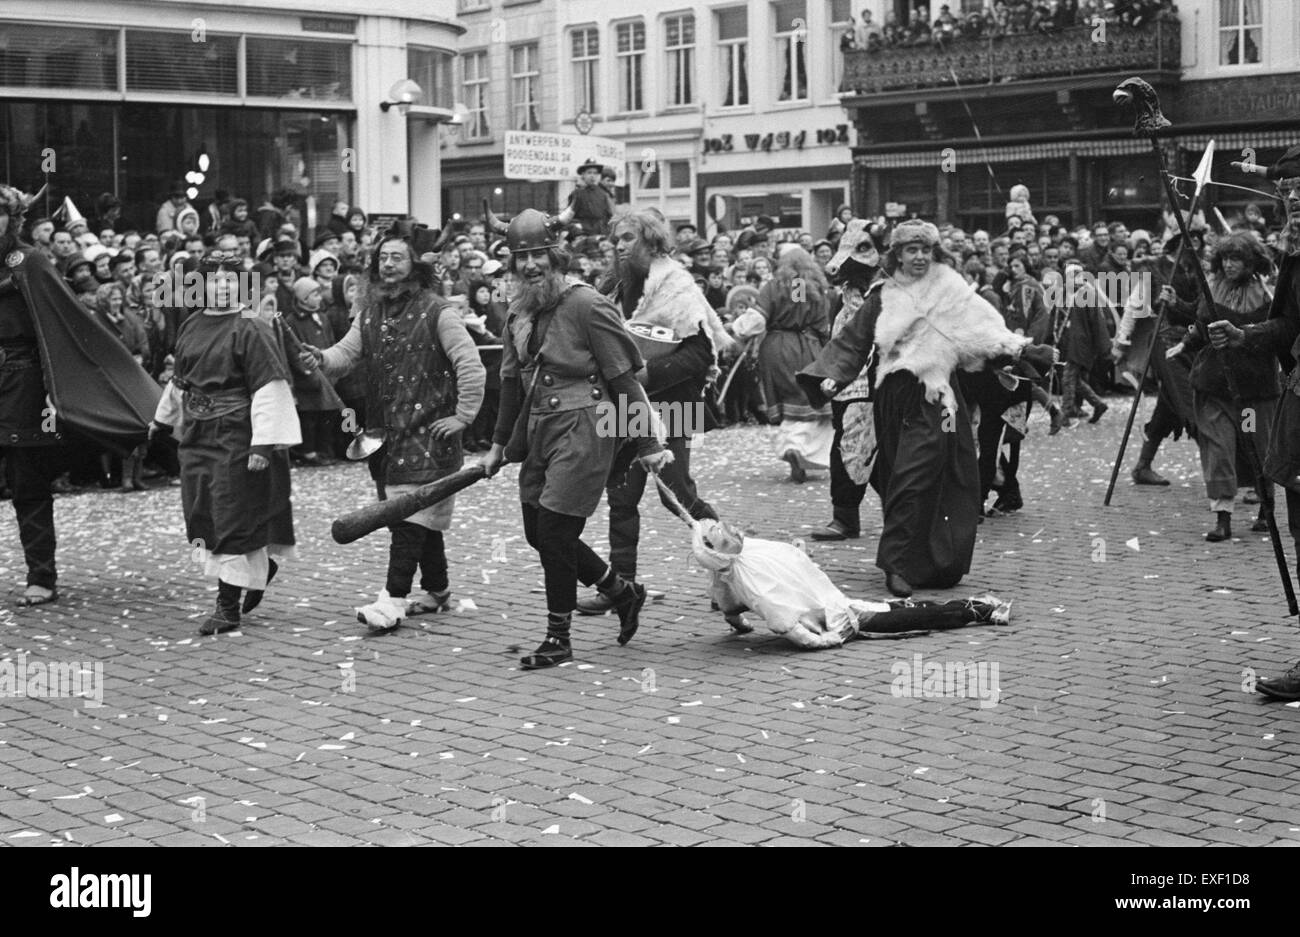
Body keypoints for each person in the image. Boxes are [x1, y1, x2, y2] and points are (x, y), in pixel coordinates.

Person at [797, 220, 1055, 597]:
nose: (919, 257)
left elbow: (981, 330)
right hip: (896, 396)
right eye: (910, 250)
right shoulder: (883, 294)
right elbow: (853, 342)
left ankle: (924, 561)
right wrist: (832, 375)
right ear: (897, 255)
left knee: (945, 473)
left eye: (925, 250)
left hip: (941, 398)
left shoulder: (950, 291)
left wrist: (1021, 349)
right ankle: (904, 561)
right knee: (904, 473)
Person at [480, 206, 671, 669]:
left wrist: (648, 444)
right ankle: (621, 592)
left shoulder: (587, 304)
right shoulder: (517, 313)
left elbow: (625, 378)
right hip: (539, 429)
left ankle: (557, 638)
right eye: (521, 256)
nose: (531, 264)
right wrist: (498, 445)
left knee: (554, 530)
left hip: (587, 424)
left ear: (556, 255)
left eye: (539, 254)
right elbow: (509, 382)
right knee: (537, 531)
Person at [312, 224, 486, 630]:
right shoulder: (369, 314)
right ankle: (439, 590)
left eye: (397, 257)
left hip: (431, 436)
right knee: (415, 518)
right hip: (387, 438)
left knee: (408, 519)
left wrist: (463, 416)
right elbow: (344, 355)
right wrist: (318, 358)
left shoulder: (439, 311)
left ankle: (392, 601)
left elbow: (470, 365)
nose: (387, 265)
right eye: (383, 258)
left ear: (415, 267)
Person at [2, 183, 158, 606]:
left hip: (22, 384)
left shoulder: (29, 262)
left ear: (12, 219)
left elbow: (65, 324)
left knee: (27, 484)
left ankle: (41, 576)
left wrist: (59, 388)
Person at [576, 208, 724, 616]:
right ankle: (620, 587)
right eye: (616, 240)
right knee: (621, 496)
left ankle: (732, 572)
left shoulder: (677, 284)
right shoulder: (610, 285)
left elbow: (701, 352)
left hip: (673, 400)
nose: (619, 246)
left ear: (651, 240)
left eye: (627, 238)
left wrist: (645, 375)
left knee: (678, 495)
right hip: (623, 404)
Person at [151, 255, 301, 634]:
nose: (222, 287)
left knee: (232, 513)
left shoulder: (252, 326)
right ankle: (256, 572)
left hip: (237, 433)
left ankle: (227, 606)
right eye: (214, 281)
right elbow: (180, 381)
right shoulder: (192, 324)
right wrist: (161, 419)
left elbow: (270, 387)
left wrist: (263, 445)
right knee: (204, 512)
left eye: (230, 281)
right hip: (199, 435)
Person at [1169, 232, 1278, 541]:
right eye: (1226, 258)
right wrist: (1187, 341)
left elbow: (1277, 334)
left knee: (1257, 447)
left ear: (1251, 262)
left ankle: (1265, 509)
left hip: (1254, 391)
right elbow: (1199, 325)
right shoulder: (1212, 287)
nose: (1230, 265)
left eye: (1238, 259)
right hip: (1215, 385)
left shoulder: (1268, 294)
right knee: (1218, 448)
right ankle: (1223, 516)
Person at [755, 245, 833, 482]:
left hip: (776, 347)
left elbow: (758, 318)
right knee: (809, 401)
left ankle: (792, 447)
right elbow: (823, 327)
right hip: (808, 347)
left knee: (788, 399)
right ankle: (801, 449)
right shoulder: (818, 289)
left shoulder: (773, 286)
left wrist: (735, 331)